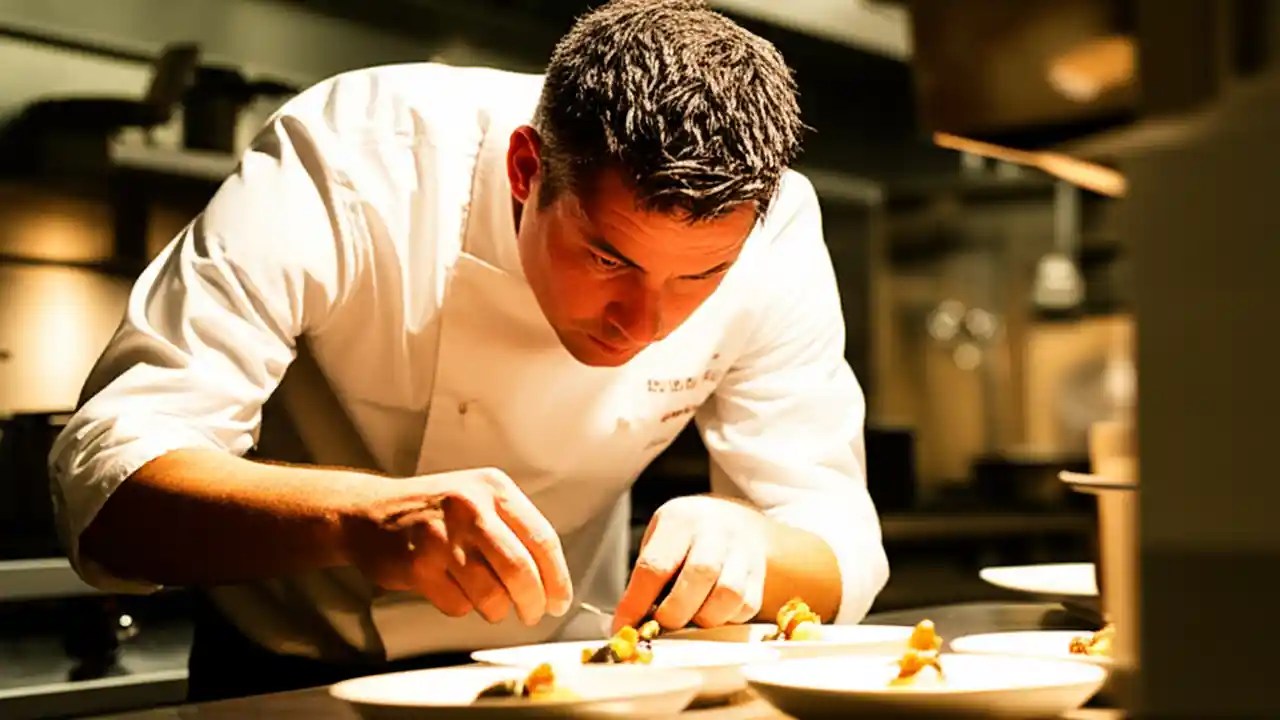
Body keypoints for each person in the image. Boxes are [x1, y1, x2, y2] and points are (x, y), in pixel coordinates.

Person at [49, 0, 888, 701]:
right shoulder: (353, 155)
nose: (643, 324)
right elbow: (107, 487)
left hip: (565, 680)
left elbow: (838, 540)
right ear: (527, 170)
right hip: (283, 683)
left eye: (700, 277)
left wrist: (750, 544)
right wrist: (363, 519)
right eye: (608, 259)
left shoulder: (777, 230)